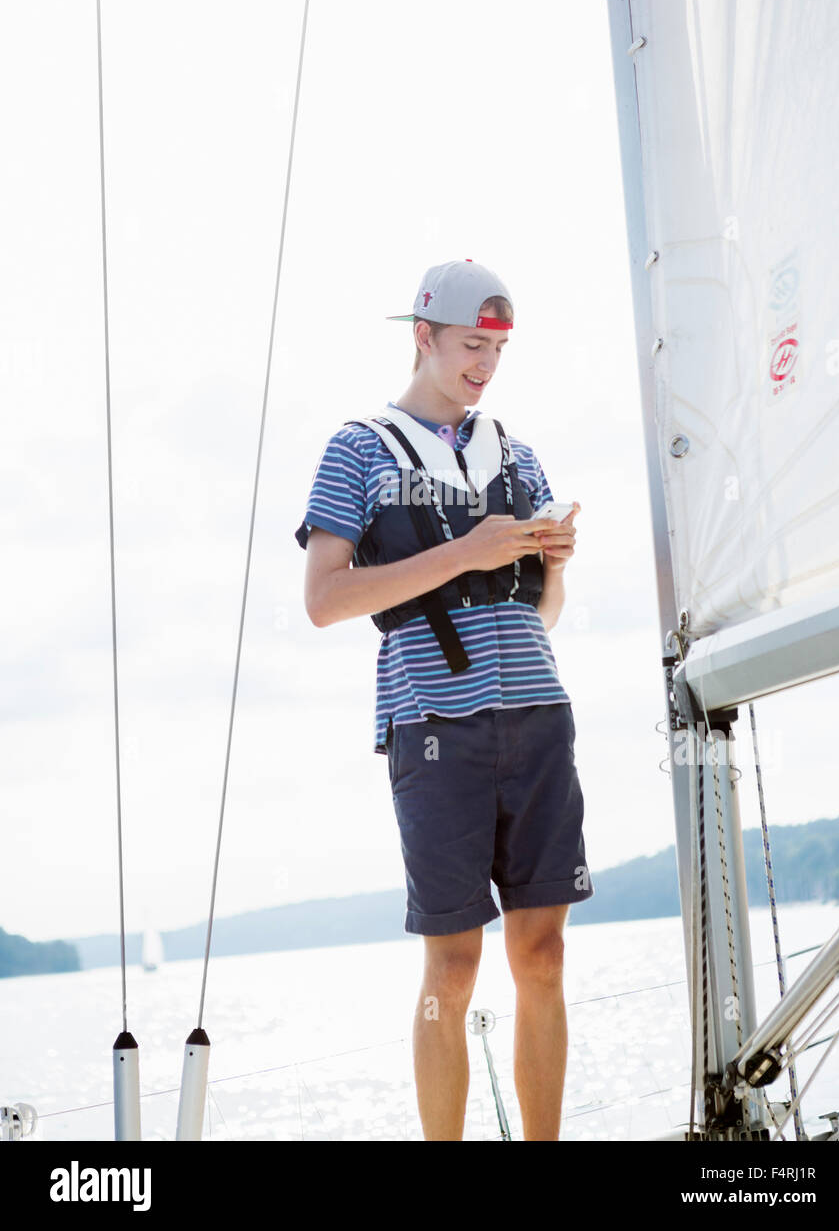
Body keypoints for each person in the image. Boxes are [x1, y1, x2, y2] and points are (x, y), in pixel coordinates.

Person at [294, 258, 593, 1140]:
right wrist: (467, 550)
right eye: (471, 345)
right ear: (422, 336)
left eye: (497, 348)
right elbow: (323, 600)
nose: (485, 364)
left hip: (537, 715)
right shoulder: (357, 449)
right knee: (452, 969)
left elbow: (544, 611)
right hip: (433, 727)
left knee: (543, 955)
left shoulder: (520, 453)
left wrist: (553, 564)